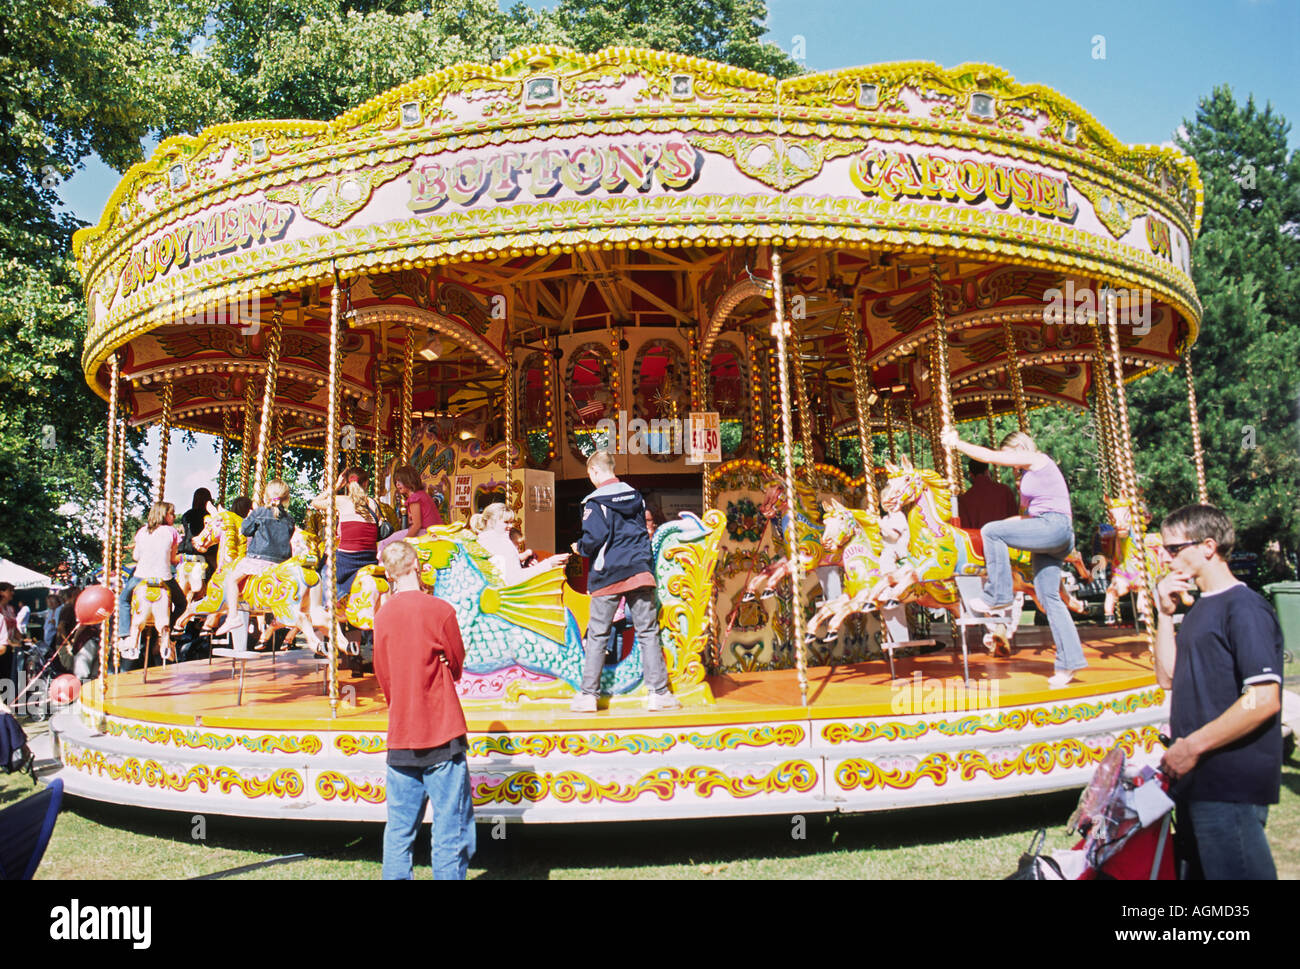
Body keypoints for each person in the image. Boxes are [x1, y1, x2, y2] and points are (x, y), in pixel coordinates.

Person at [1154, 504, 1282, 880]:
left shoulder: (1244, 608)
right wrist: (1164, 614)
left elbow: (1263, 699)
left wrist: (1190, 747)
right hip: (1196, 780)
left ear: (1208, 546)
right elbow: (1168, 678)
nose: (1166, 556)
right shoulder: (1198, 609)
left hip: (1228, 783)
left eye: (1174, 548)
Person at [941, 429, 1085, 688]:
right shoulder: (1031, 474)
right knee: (1050, 598)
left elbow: (989, 456)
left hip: (1053, 526)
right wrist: (1002, 525)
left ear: (1018, 447)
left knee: (990, 531)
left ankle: (998, 595)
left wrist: (956, 443)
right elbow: (1028, 517)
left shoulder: (1036, 459)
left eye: (1009, 456)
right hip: (1050, 533)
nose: (1011, 465)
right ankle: (1068, 664)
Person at [372, 540, 475, 880]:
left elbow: (382, 674)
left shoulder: (383, 615)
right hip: (441, 730)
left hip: (402, 733)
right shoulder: (440, 610)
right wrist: (446, 664)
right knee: (449, 827)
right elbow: (457, 662)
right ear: (418, 565)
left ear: (389, 574)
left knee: (399, 830)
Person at [568, 450, 679, 712]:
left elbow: (594, 539)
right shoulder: (636, 497)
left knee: (597, 634)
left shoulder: (596, 503)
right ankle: (658, 692)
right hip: (639, 571)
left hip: (608, 574)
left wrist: (579, 547)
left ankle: (588, 695)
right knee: (648, 632)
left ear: (594, 472)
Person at [214, 481, 297, 639]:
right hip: (282, 563)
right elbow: (289, 535)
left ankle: (232, 616)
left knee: (231, 579)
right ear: (286, 498)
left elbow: (245, 530)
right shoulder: (289, 518)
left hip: (259, 558)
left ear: (266, 495)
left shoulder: (259, 512)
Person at [116, 502, 181, 660]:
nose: (173, 517)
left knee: (123, 600)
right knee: (182, 604)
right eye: (171, 514)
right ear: (164, 515)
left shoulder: (142, 531)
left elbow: (135, 557)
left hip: (141, 576)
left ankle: (125, 635)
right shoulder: (172, 532)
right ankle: (168, 632)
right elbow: (173, 559)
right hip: (164, 577)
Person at [311, 467, 382, 598]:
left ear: (347, 484)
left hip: (346, 561)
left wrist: (336, 486)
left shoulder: (342, 501)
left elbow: (315, 502)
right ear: (366, 483)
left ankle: (328, 604)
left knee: (323, 568)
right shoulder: (373, 503)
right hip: (369, 559)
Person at [469, 503, 567, 584]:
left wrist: (522, 564)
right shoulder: (503, 543)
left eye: (511, 522)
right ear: (490, 522)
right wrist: (548, 564)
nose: (510, 526)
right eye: (506, 522)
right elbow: (515, 579)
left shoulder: (479, 540)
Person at [378, 465, 442, 553]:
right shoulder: (422, 495)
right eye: (396, 482)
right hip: (434, 531)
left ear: (409, 480)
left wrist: (405, 543)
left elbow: (417, 525)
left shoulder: (415, 498)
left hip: (426, 532)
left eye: (400, 481)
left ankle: (383, 565)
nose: (397, 484)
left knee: (384, 543)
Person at [957, 459, 1018, 531]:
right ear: (987, 471)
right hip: (1005, 539)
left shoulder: (965, 499)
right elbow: (1015, 520)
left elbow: (966, 529)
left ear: (971, 474)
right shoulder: (1004, 490)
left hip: (980, 540)